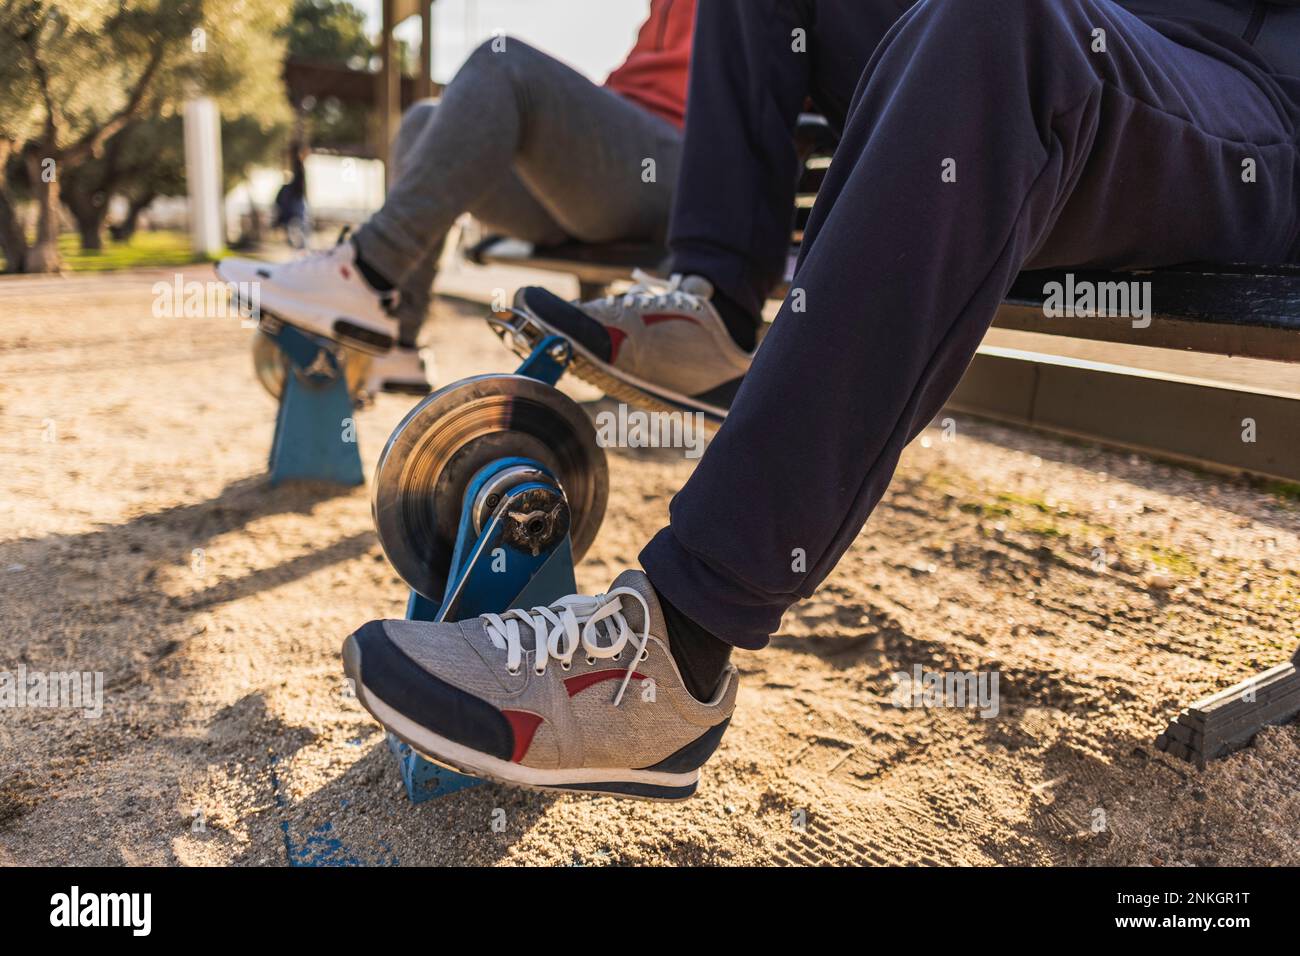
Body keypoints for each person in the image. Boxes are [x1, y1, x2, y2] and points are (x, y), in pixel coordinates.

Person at [341, 0, 1300, 800]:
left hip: (1242, 85)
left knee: (997, 20)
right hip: (1113, 33)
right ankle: (711, 306)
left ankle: (678, 647)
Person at [218, 0, 695, 394]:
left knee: (504, 60)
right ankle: (395, 340)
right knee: (423, 121)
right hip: (599, 178)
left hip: (676, 168)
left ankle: (365, 270)